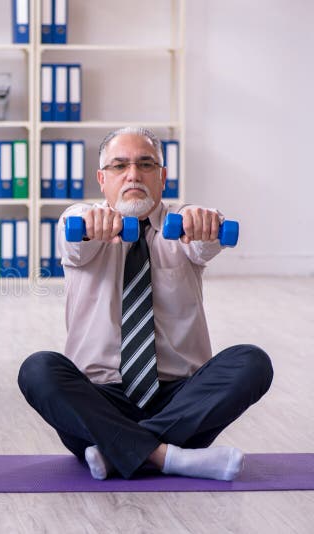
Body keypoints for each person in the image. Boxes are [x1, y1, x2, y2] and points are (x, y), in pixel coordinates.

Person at [18, 127, 273, 481]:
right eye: (119, 165)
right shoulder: (83, 223)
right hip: (98, 401)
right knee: (37, 369)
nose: (133, 174)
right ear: (101, 178)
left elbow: (204, 240)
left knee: (253, 362)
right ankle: (171, 458)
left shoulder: (183, 225)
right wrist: (90, 224)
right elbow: (73, 236)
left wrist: (206, 221)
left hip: (181, 402)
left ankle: (118, 452)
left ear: (163, 177)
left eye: (146, 164)